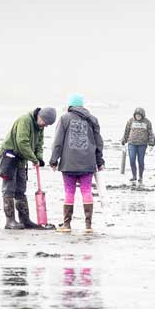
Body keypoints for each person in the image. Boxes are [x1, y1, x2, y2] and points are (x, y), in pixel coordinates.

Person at [50, 94, 104, 234]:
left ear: (70, 105)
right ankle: (88, 226)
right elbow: (99, 143)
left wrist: (54, 160)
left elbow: (58, 142)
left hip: (69, 164)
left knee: (69, 192)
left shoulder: (64, 119)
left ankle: (67, 225)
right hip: (88, 163)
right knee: (86, 191)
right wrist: (100, 161)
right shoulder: (92, 119)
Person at [0, 106, 57, 230]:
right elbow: (22, 142)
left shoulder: (40, 126)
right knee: (9, 188)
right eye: (45, 123)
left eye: (47, 125)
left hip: (22, 157)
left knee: (21, 189)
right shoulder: (25, 120)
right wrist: (33, 159)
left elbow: (39, 144)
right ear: (39, 117)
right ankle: (10, 221)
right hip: (10, 155)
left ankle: (25, 220)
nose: (45, 126)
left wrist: (39, 158)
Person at [121, 107, 155, 184]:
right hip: (131, 144)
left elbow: (150, 133)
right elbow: (126, 131)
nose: (138, 116)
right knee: (132, 160)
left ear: (142, 115)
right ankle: (134, 176)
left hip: (142, 144)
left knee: (141, 161)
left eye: (139, 115)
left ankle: (140, 176)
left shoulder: (147, 122)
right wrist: (124, 141)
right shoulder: (130, 121)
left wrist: (151, 144)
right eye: (136, 115)